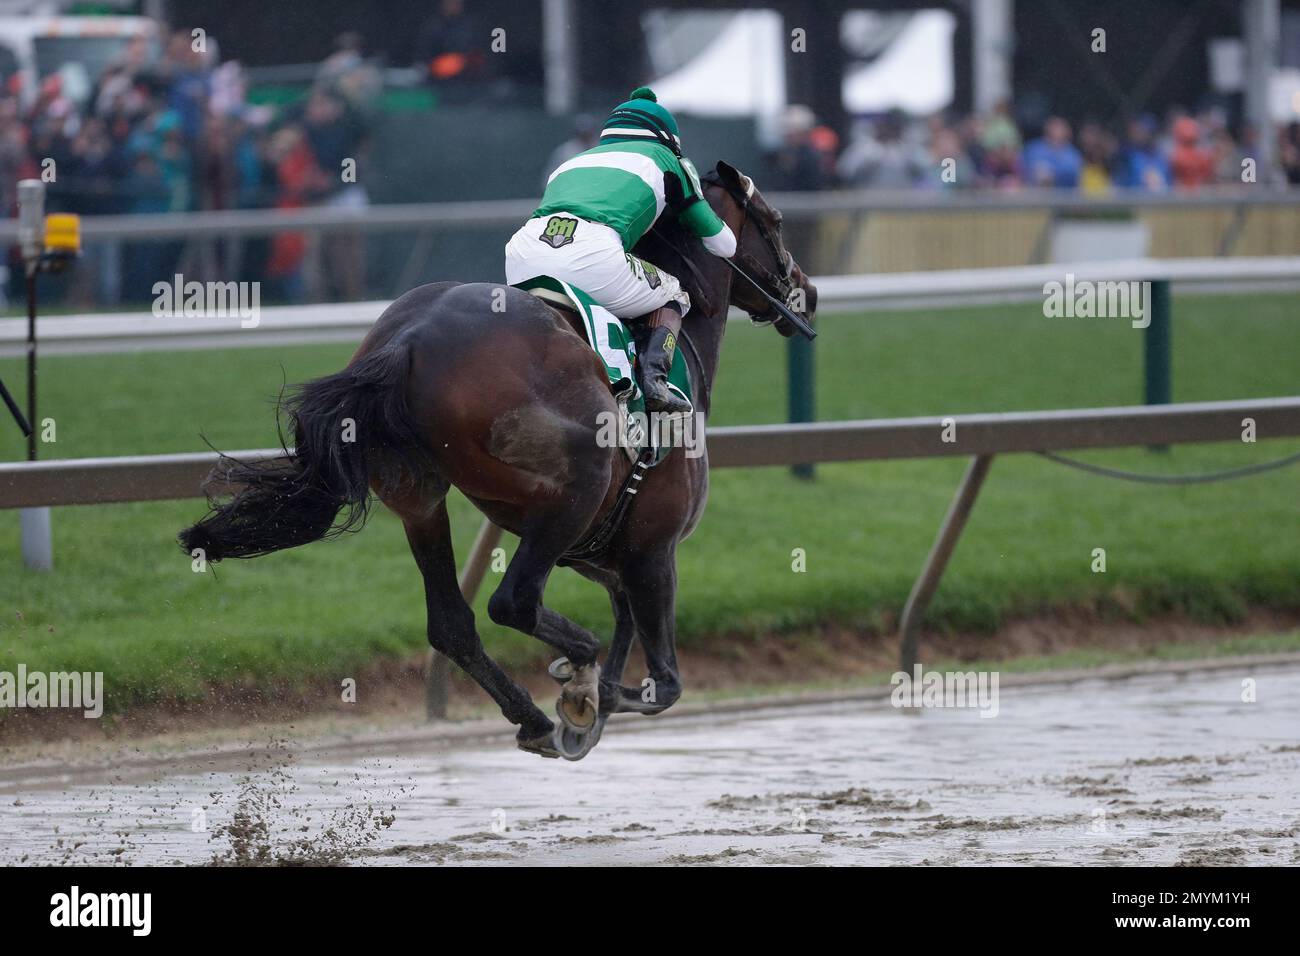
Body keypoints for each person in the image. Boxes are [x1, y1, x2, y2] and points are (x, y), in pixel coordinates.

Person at [504, 87, 736, 414]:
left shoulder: (573, 159)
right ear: (667, 137)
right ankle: (655, 381)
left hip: (523, 253)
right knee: (675, 294)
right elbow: (723, 244)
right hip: (592, 256)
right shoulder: (670, 160)